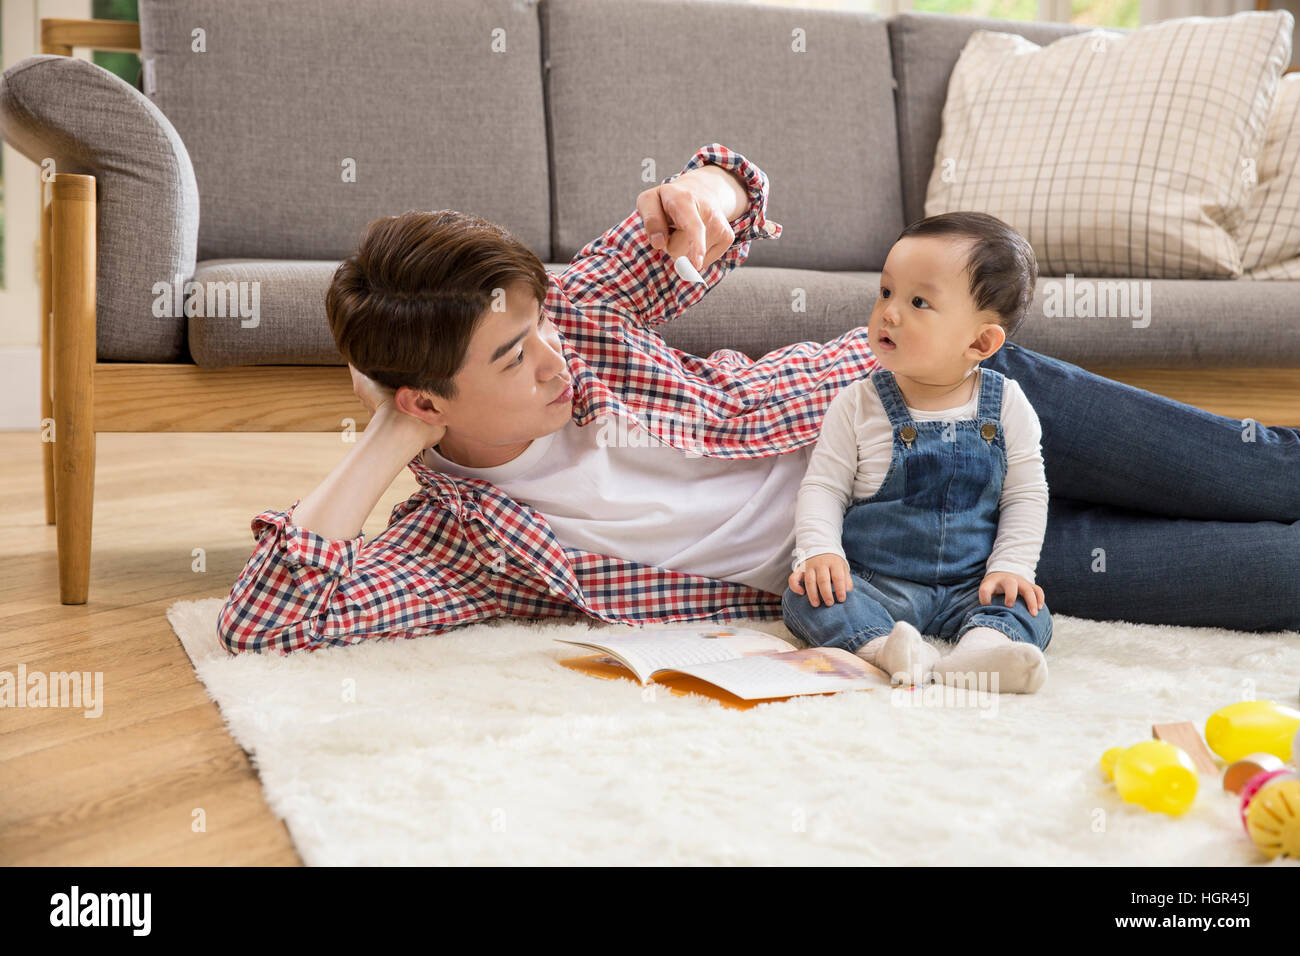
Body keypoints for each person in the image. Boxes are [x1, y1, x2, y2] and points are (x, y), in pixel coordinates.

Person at [217, 143, 1300, 657]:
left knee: (1264, 470)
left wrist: (705, 193)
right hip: (927, 564)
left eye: (537, 320)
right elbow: (266, 616)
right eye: (511, 358)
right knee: (1275, 575)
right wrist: (379, 443)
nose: (552, 357)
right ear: (425, 401)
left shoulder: (577, 318)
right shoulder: (463, 546)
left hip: (943, 394)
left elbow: (728, 187)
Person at [783, 212, 1052, 694]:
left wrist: (1011, 568)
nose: (889, 312)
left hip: (972, 586)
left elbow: (1026, 495)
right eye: (886, 292)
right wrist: (821, 551)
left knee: (1027, 605)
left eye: (918, 301)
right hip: (876, 584)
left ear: (980, 341)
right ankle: (884, 646)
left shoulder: (1007, 404)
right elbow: (823, 486)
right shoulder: (858, 403)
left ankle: (981, 650)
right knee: (806, 597)